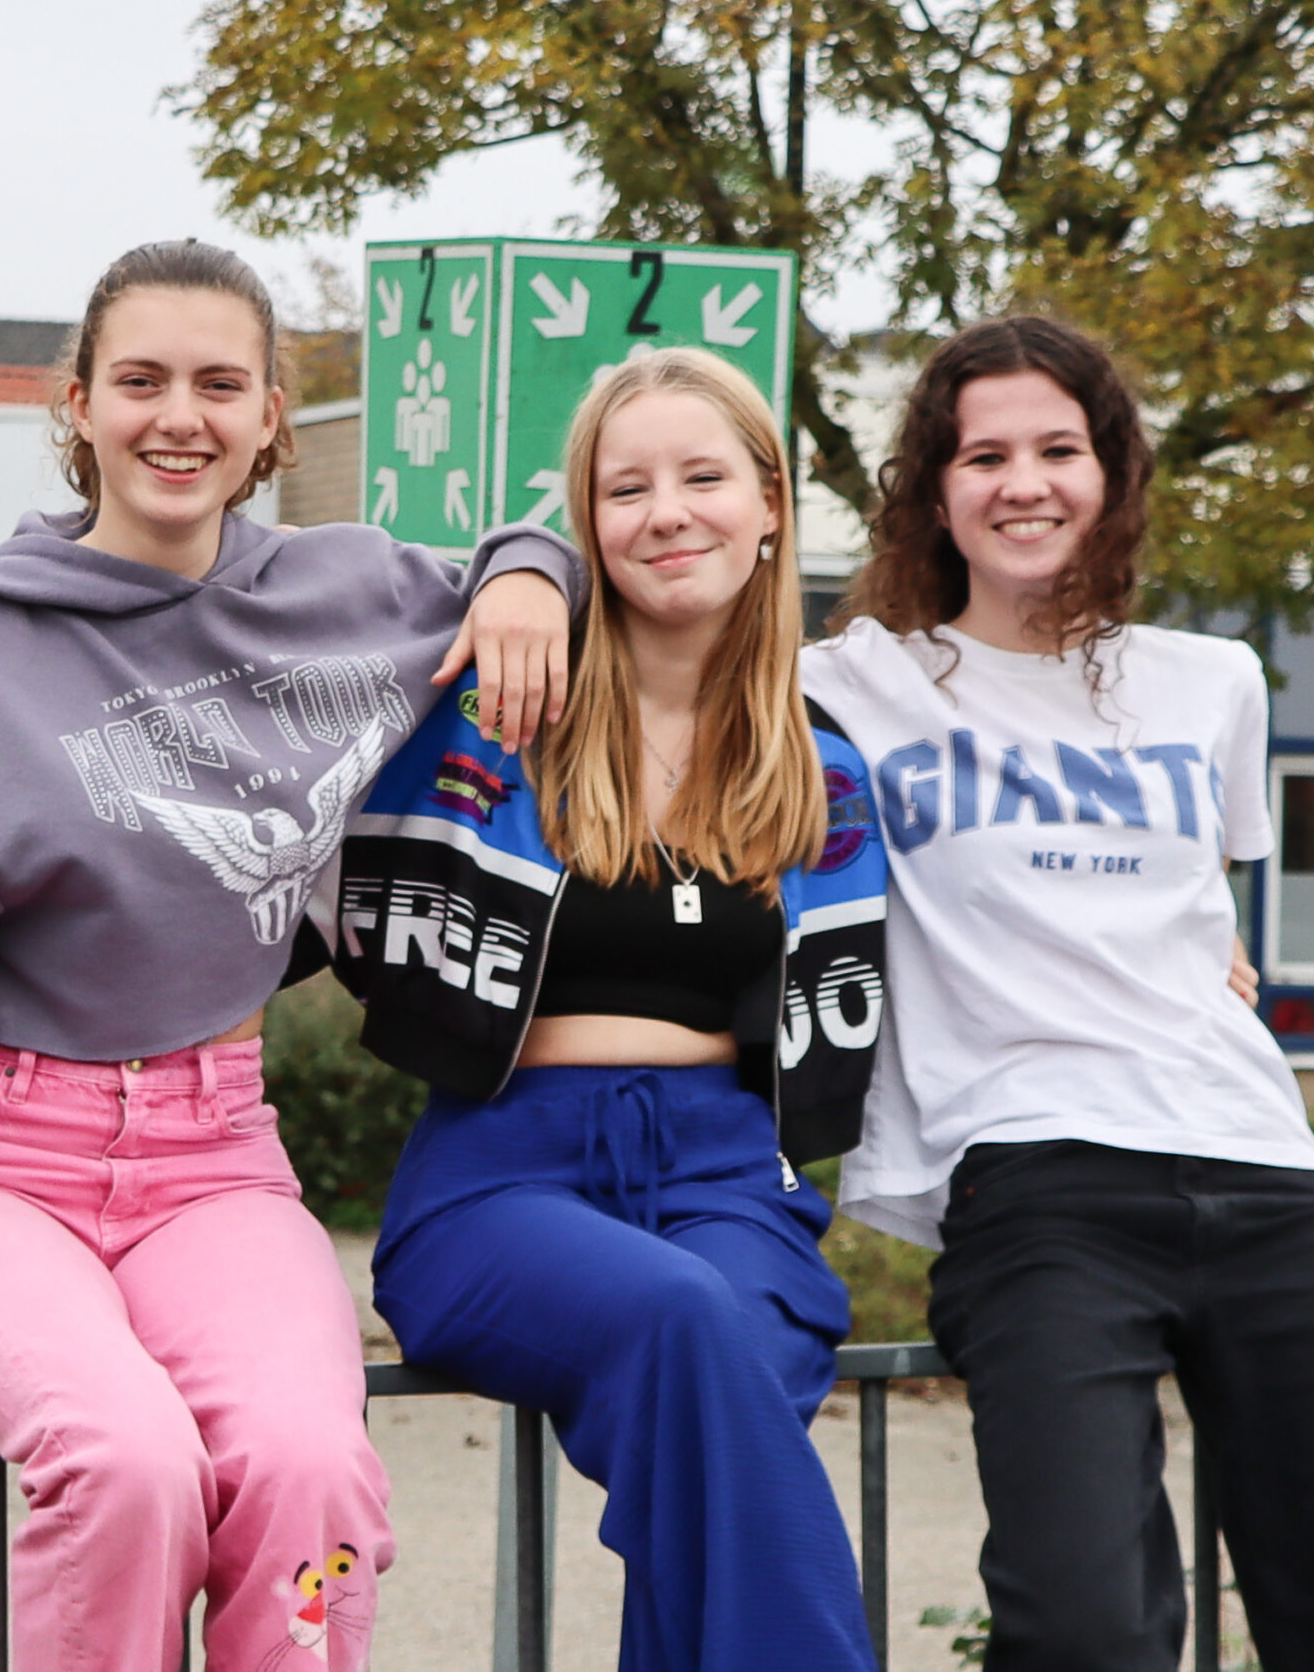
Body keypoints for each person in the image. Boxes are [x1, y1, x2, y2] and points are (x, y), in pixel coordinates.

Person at [0, 239, 586, 1672]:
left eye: (219, 383)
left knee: (313, 1475)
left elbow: (517, 552)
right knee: (126, 1462)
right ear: (76, 406)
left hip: (214, 1152)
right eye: (138, 381)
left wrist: (526, 576)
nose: (176, 417)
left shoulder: (352, 593)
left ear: (273, 416)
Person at [800, 314, 1314, 1671]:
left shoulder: (1211, 682)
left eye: (1058, 448)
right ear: (934, 490)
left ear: (1111, 472)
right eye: (983, 453)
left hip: (1261, 1169)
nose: (1023, 482)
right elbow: (654, 619)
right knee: (1083, 1629)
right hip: (1036, 1186)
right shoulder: (854, 685)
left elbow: (1198, 906)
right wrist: (531, 575)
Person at [327, 347, 892, 1672]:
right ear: (587, 529)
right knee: (692, 1329)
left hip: (724, 1177)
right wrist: (515, 571)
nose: (667, 512)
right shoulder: (486, 718)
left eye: (704, 477)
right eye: (624, 488)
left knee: (724, 1399)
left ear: (769, 508)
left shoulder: (822, 770)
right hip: (499, 1176)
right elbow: (273, 811)